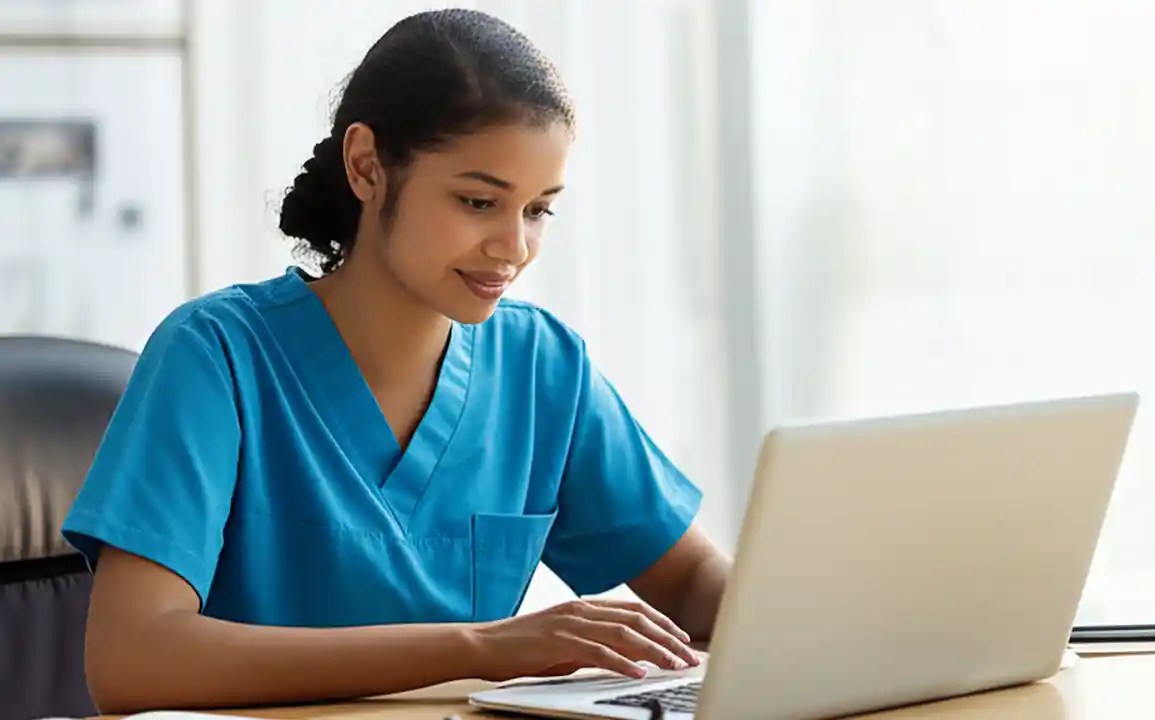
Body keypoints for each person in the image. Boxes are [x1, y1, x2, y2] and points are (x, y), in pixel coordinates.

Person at [61, 9, 729, 714]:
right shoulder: (216, 356)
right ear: (367, 166)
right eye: (478, 201)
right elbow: (133, 660)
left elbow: (691, 583)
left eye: (537, 210)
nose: (514, 247)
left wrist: (821, 618)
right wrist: (483, 648)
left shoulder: (542, 367)